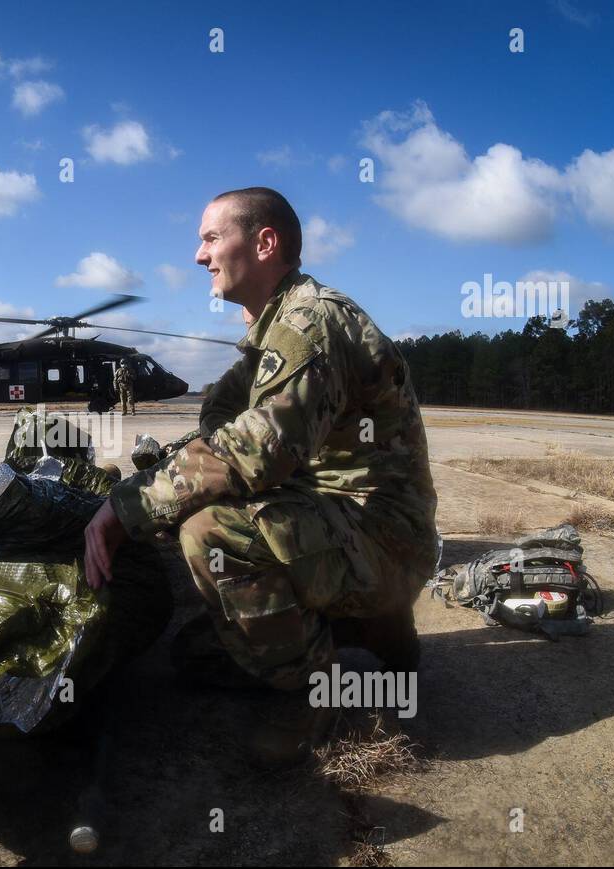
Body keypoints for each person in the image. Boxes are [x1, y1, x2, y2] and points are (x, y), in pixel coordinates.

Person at [83, 187, 438, 763]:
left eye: (211, 238)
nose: (200, 256)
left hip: (384, 538)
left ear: (265, 242)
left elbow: (258, 450)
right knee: (197, 654)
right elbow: (223, 424)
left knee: (208, 531)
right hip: (346, 526)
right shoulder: (272, 330)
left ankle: (317, 691)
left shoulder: (307, 324)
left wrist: (124, 508)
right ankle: (374, 630)